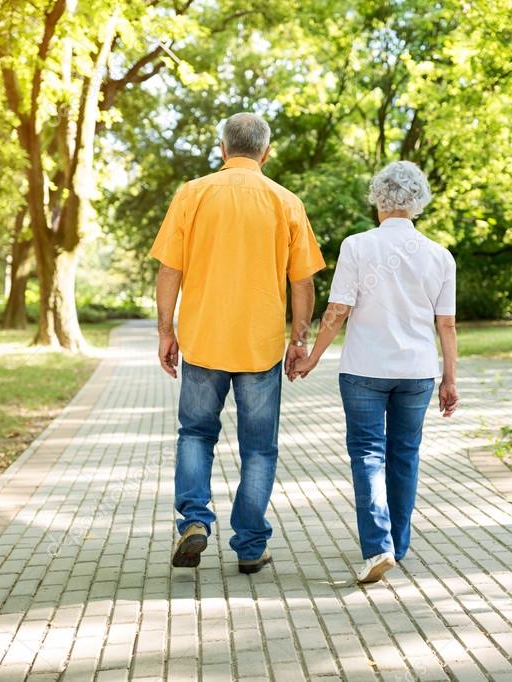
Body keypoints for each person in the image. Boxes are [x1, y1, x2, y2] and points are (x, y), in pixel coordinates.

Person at [151, 112, 325, 574]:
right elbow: (303, 280)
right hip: (260, 345)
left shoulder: (193, 194)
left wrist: (166, 330)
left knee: (195, 433)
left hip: (204, 339)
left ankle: (194, 520)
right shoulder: (286, 201)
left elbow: (170, 270)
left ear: (223, 149)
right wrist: (299, 338)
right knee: (259, 448)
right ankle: (249, 545)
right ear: (266, 153)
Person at [291, 160, 458, 584]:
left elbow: (337, 311)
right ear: (419, 201)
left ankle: (378, 547)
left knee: (367, 454)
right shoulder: (440, 256)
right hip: (417, 372)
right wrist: (450, 378)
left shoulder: (357, 246)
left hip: (364, 369)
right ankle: (397, 547)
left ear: (377, 200)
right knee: (405, 455)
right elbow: (447, 325)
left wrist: (311, 357)